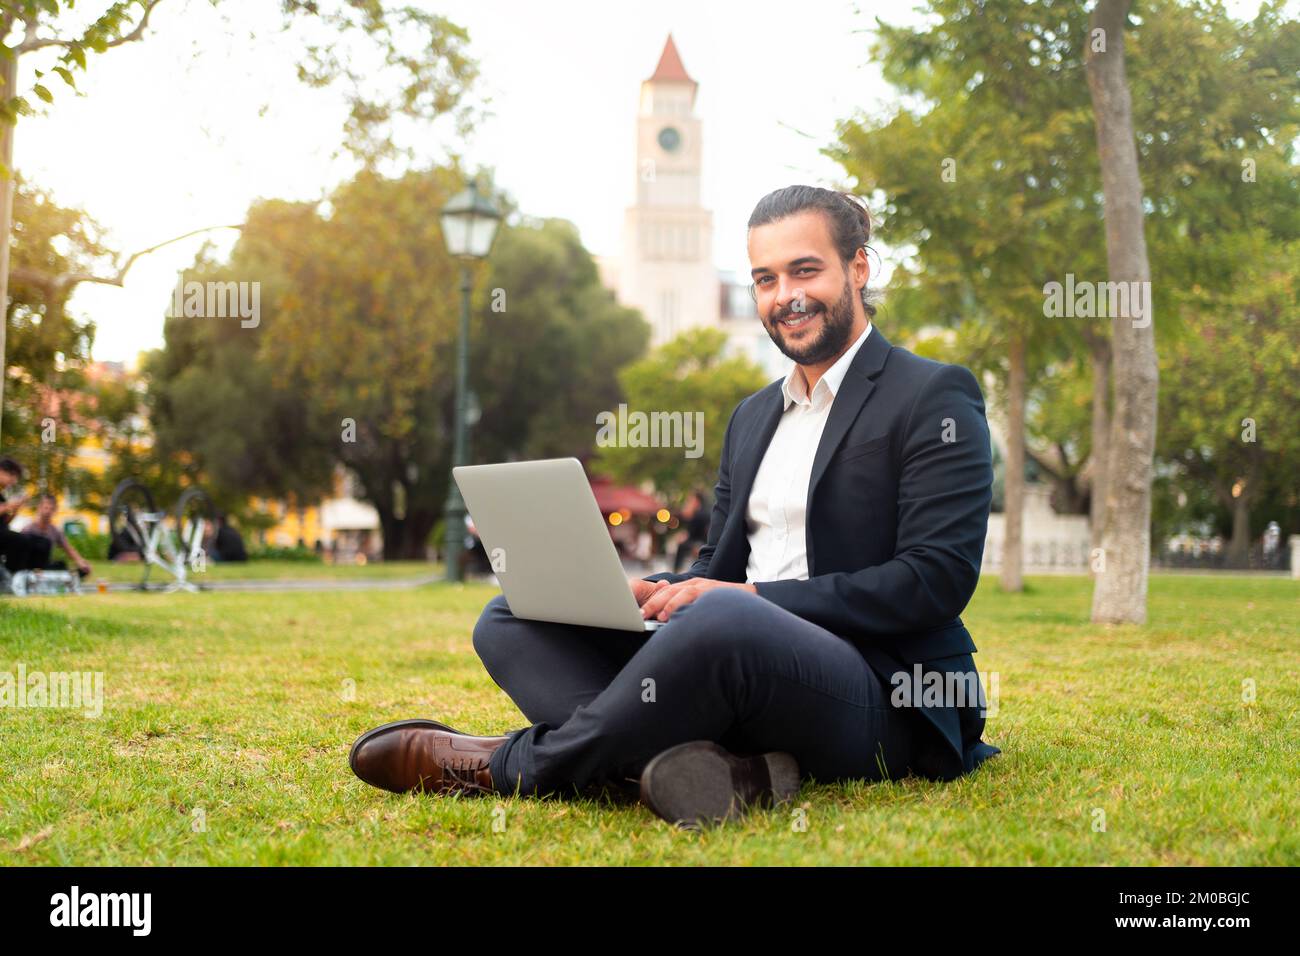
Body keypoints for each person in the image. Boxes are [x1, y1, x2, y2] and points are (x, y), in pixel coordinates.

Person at [349, 185, 1001, 827]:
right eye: (765, 279)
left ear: (858, 266)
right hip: (734, 655)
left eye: (806, 270)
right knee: (513, 615)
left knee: (722, 619)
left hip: (880, 693)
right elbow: (717, 567)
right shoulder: (752, 419)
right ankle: (698, 770)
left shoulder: (933, 396)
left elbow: (934, 580)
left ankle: (505, 767)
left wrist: (751, 601)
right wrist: (653, 591)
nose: (785, 297)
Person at [21, 493, 92, 577]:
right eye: (46, 508)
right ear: (39, 508)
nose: (48, 512)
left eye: (51, 509)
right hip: (29, 567)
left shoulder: (55, 531)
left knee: (62, 565)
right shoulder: (28, 529)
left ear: (55, 511)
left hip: (45, 566)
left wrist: (80, 562)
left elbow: (68, 548)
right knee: (43, 543)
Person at [0, 457, 51, 573]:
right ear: (1, 471)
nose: (14, 481)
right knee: (20, 540)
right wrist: (8, 506)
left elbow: (5, 523)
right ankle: (13, 576)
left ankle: (33, 577)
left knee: (42, 542)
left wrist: (16, 509)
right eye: (13, 476)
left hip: (3, 534)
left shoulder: (2, 495)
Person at [672, 489, 711, 573]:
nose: (688, 503)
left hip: (702, 544)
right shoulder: (706, 511)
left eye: (690, 500)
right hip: (705, 543)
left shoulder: (698, 514)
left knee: (681, 545)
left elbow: (691, 535)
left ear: (697, 501)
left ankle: (676, 570)